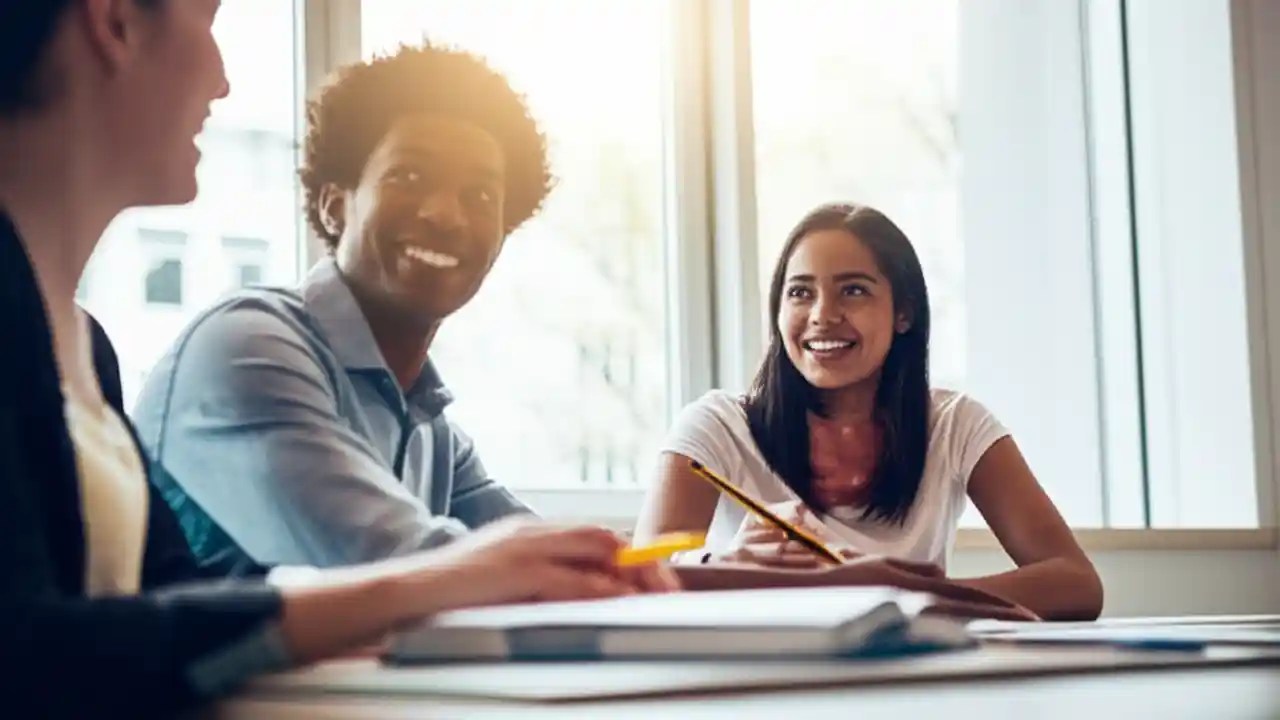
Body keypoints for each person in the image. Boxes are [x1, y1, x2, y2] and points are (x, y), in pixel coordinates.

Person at [0, 1, 674, 715]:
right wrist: (450, 578)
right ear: (114, 22)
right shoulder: (246, 344)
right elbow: (26, 649)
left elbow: (166, 600)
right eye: (209, 17)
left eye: (479, 195)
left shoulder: (82, 346)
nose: (224, 81)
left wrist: (706, 570)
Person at [129, 41, 565, 568]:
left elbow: (540, 553)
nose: (446, 215)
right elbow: (384, 562)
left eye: (479, 197)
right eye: (409, 177)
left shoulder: (431, 429)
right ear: (334, 207)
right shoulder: (244, 348)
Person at [635, 202, 1103, 621]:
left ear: (904, 313)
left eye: (853, 291)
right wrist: (728, 569)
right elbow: (642, 582)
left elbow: (1076, 583)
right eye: (800, 293)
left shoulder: (955, 424)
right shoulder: (716, 426)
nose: (822, 314)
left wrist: (908, 595)